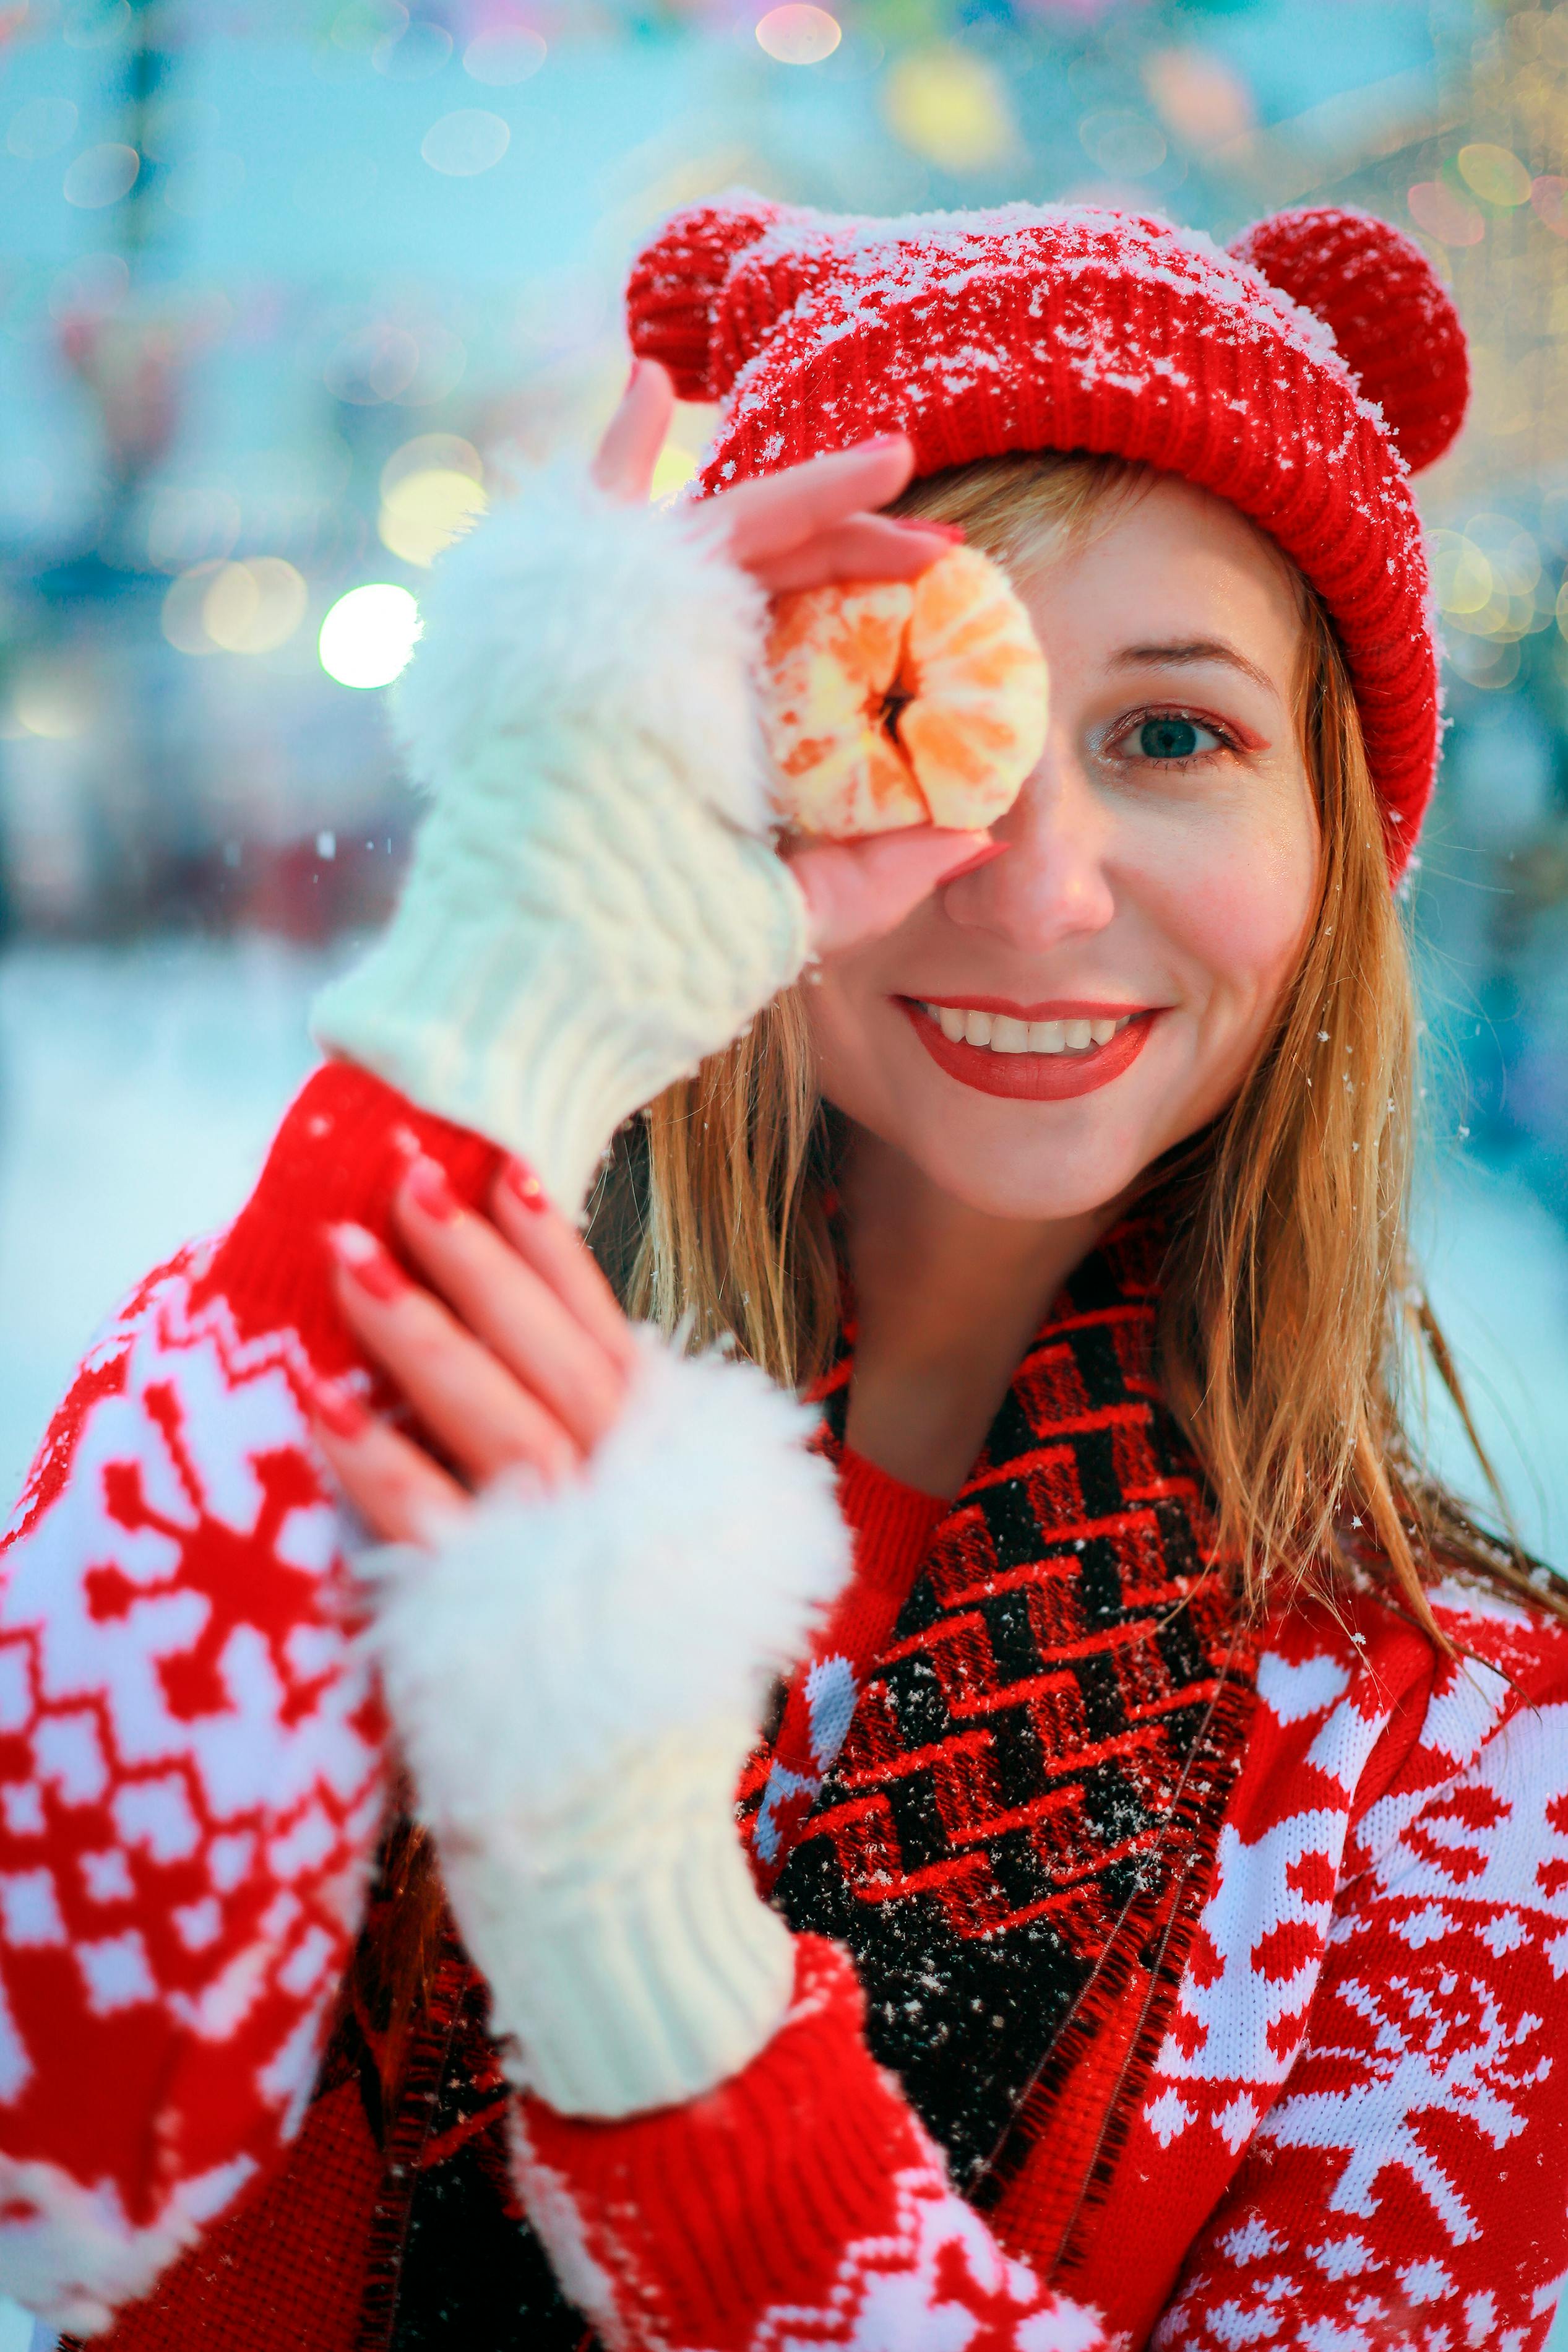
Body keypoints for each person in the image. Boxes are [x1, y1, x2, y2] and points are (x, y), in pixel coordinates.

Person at [2, 196, 1566, 2352]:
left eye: (1174, 736)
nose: (1037, 887)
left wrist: (645, 1967)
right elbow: (54, 2141)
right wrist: (479, 1039)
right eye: (910, 711)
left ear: (1334, 842)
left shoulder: (1468, 1781)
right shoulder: (329, 1384)